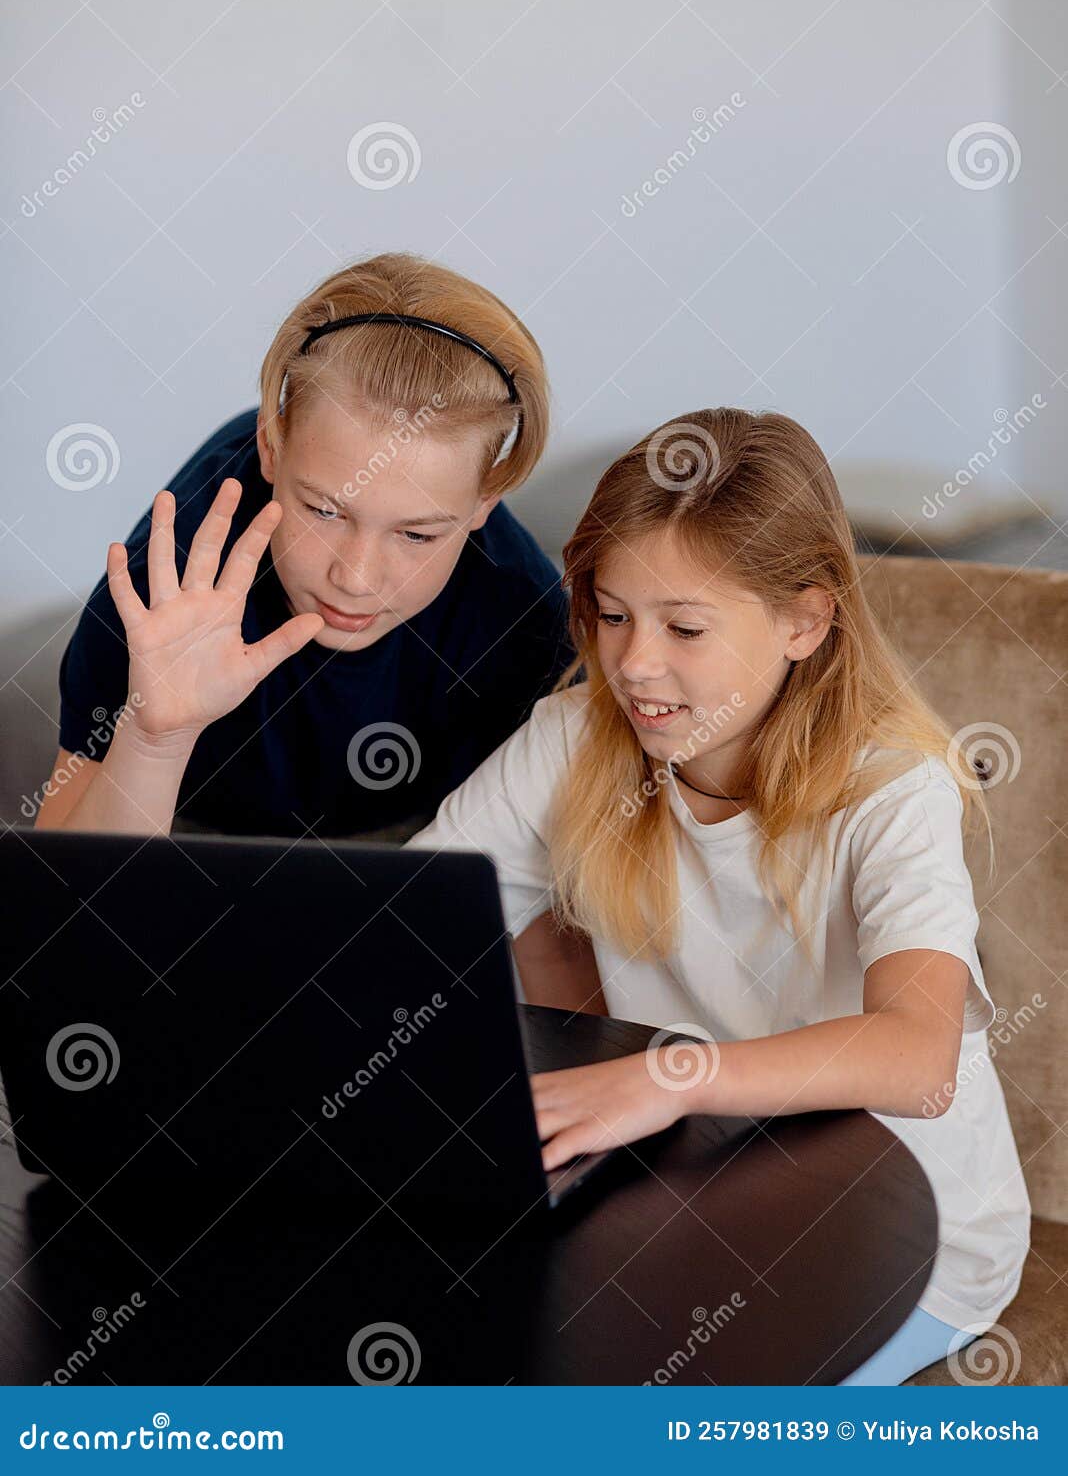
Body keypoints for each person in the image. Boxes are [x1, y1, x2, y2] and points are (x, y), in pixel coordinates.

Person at [405, 407, 1031, 1386]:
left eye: (684, 627)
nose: (635, 663)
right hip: (697, 1184)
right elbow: (401, 920)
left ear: (805, 620)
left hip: (912, 1232)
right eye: (611, 614)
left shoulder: (894, 790)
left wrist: (663, 1079)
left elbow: (918, 1059)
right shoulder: (572, 740)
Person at [37, 253, 572, 840]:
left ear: (482, 506)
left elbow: (530, 875)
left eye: (417, 534)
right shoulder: (161, 592)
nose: (356, 579)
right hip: (184, 817)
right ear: (271, 449)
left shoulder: (524, 622)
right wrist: (154, 737)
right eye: (324, 510)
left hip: (421, 828)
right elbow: (67, 904)